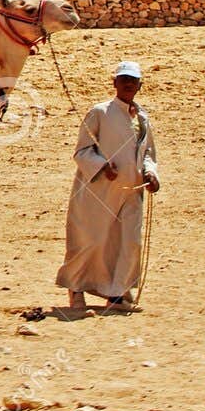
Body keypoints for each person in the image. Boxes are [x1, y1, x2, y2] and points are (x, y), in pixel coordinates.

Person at [56, 60, 160, 312]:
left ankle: (117, 294)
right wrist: (102, 166)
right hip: (98, 190)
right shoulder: (100, 112)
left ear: (139, 85)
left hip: (132, 191)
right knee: (91, 240)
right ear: (114, 83)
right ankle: (76, 289)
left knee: (128, 242)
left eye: (133, 81)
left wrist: (151, 172)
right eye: (123, 79)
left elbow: (148, 153)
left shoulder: (143, 117)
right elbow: (82, 151)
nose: (128, 84)